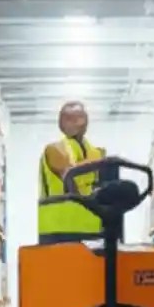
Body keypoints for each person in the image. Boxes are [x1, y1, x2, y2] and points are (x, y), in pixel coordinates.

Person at [37, 101, 106, 245]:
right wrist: (99, 162)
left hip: (93, 231)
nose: (78, 123)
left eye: (80, 118)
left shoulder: (97, 153)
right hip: (57, 232)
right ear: (61, 123)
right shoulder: (54, 149)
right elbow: (70, 176)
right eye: (68, 118)